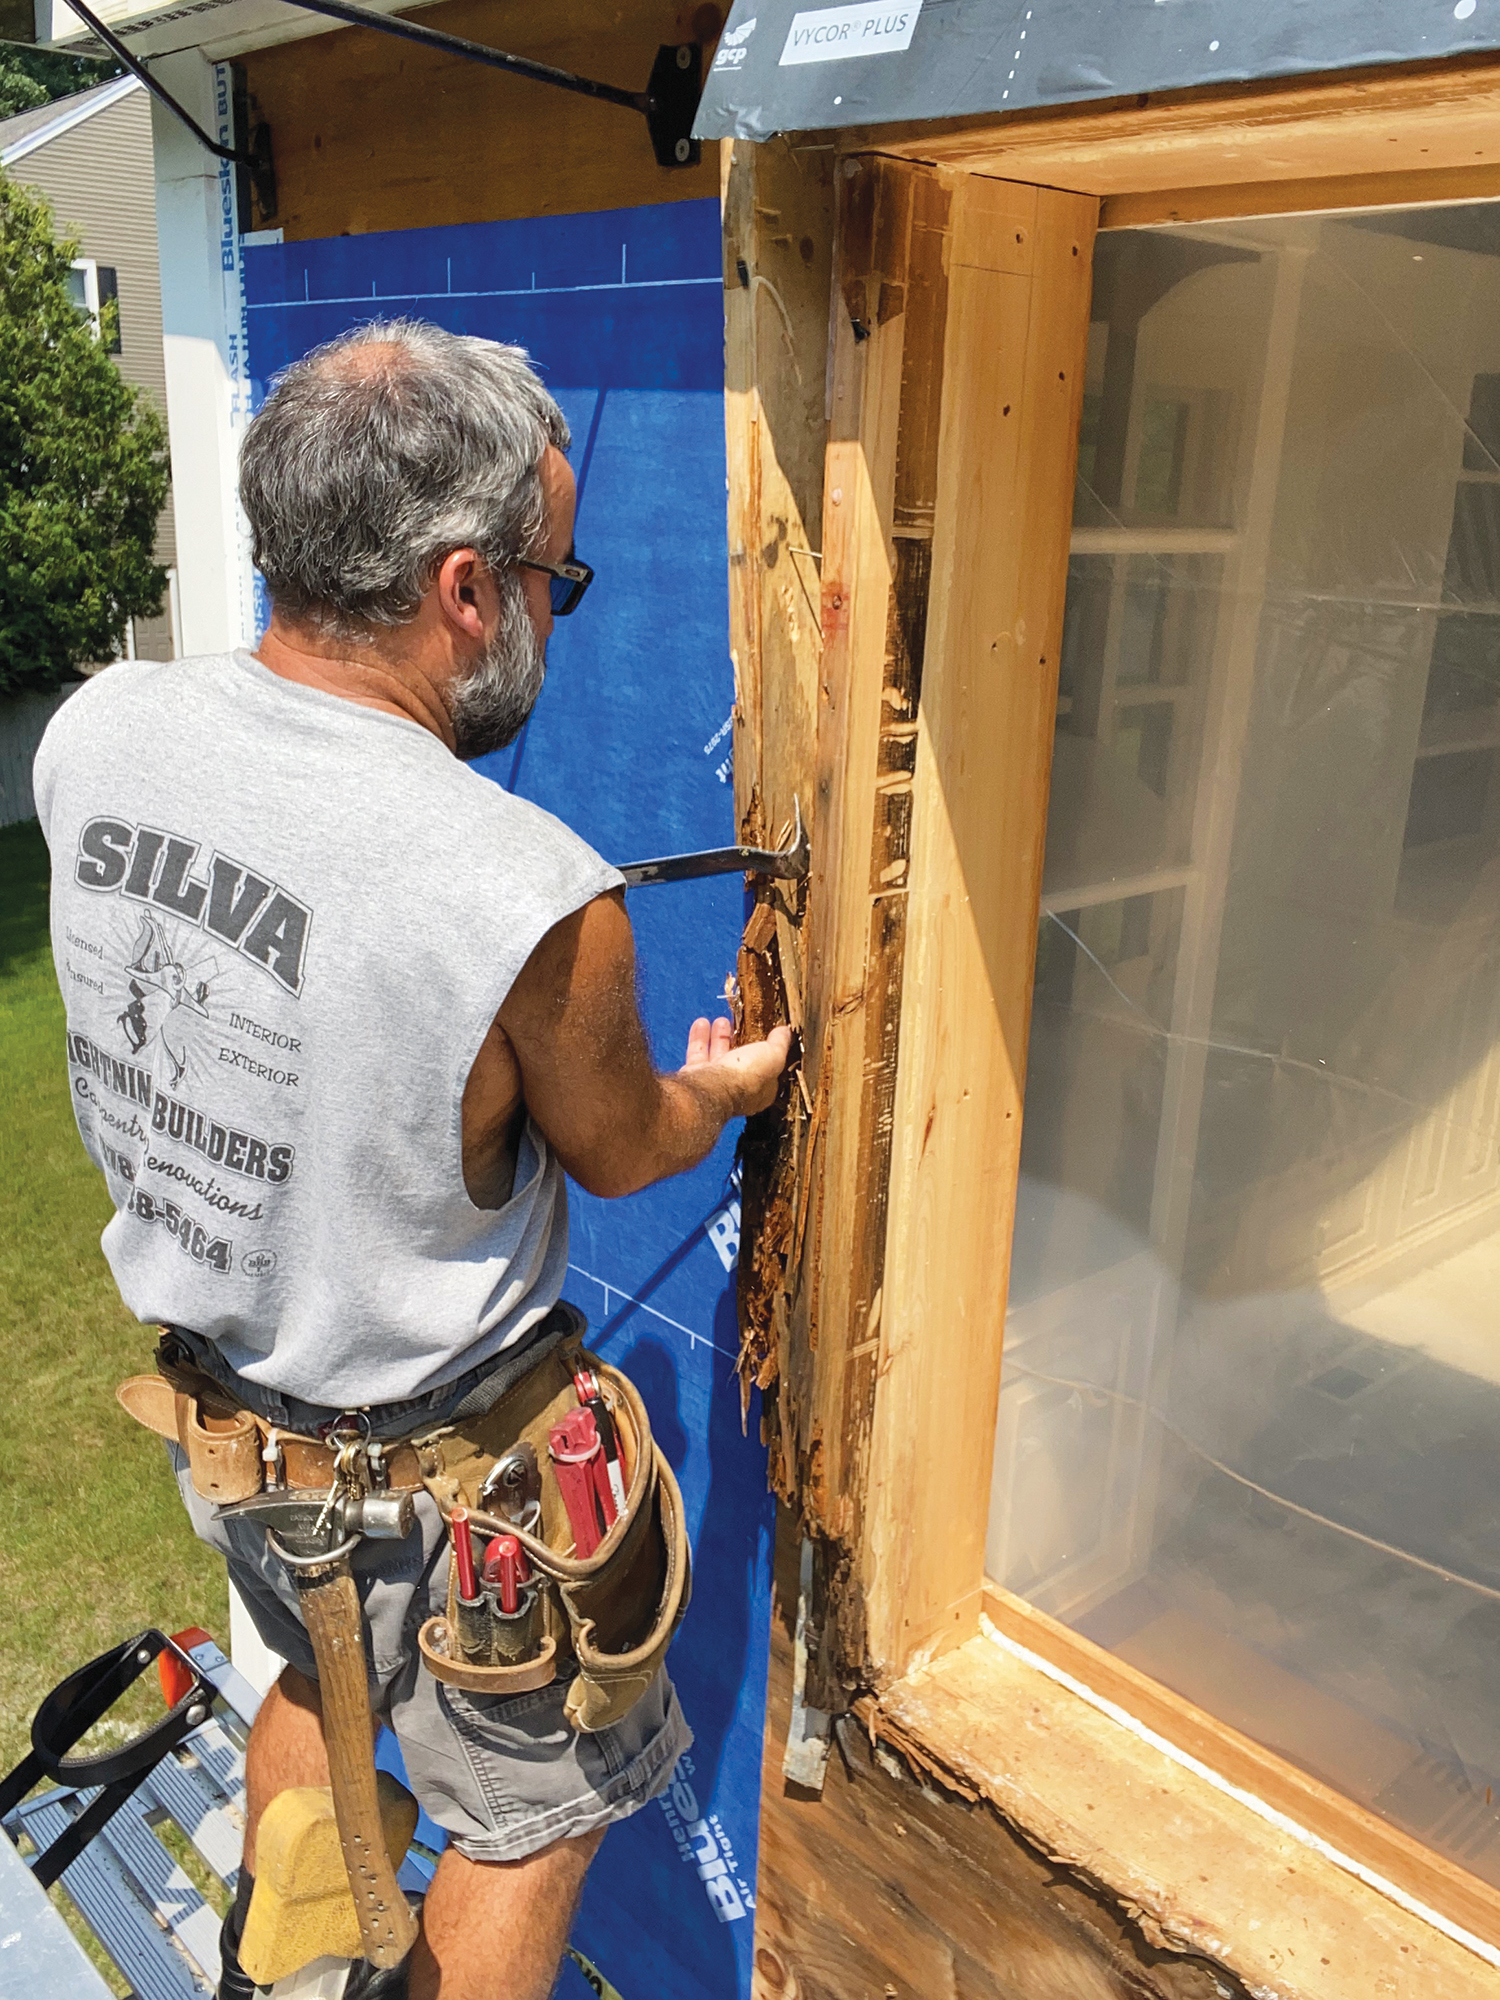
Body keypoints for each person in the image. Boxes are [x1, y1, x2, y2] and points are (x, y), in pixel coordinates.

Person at [33, 319, 791, 2000]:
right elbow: (616, 1149)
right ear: (465, 588)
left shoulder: (95, 731)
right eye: (555, 583)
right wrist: (721, 1092)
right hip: (448, 1495)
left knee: (318, 1674)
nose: (551, 617)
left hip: (235, 1442)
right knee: (538, 1811)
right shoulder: (524, 892)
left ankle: (278, 1981)